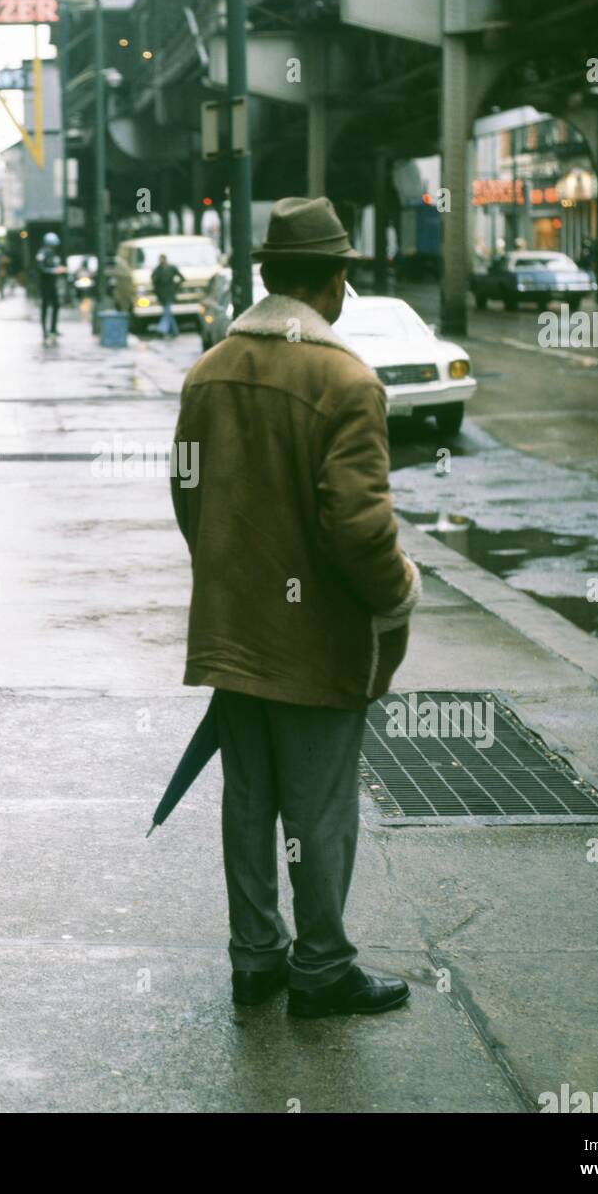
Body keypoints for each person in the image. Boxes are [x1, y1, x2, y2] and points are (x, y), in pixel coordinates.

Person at [169, 195, 421, 1020]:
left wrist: (229, 569)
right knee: (316, 808)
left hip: (233, 627)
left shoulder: (208, 370)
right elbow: (357, 525)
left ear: (270, 277)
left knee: (249, 800)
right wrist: (398, 594)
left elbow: (187, 493)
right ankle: (320, 967)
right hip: (315, 637)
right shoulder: (345, 379)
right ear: (336, 281)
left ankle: (255, 958)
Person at [35, 232, 64, 344]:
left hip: (52, 283)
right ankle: (45, 330)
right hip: (45, 283)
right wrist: (53, 271)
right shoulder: (42, 253)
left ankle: (53, 328)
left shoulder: (52, 253)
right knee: (45, 306)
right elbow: (40, 268)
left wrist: (57, 269)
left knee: (56, 305)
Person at [151, 252, 181, 339]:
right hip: (161, 295)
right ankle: (175, 331)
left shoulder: (171, 268)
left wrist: (175, 287)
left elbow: (181, 278)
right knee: (168, 313)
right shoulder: (157, 269)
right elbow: (154, 281)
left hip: (169, 293)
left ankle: (162, 329)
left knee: (166, 312)